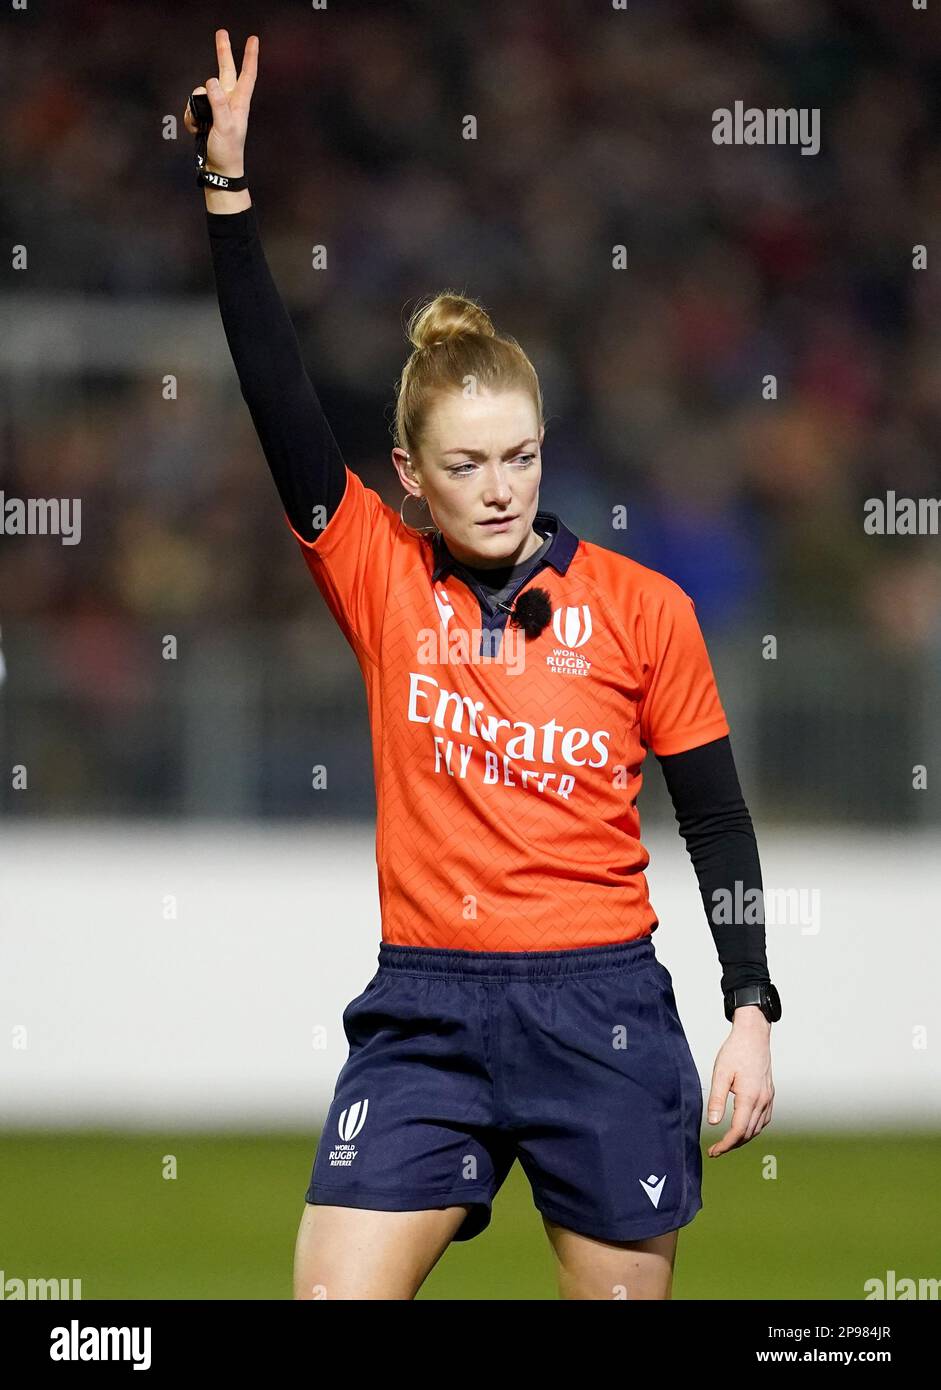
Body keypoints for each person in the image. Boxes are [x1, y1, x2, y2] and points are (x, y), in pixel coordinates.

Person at [186, 29, 779, 1302]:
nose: (498, 487)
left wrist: (748, 1002)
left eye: (518, 456)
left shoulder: (644, 608)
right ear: (409, 476)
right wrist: (228, 195)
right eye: (463, 465)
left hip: (602, 1006)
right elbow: (275, 394)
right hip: (426, 1013)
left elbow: (715, 820)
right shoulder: (376, 572)